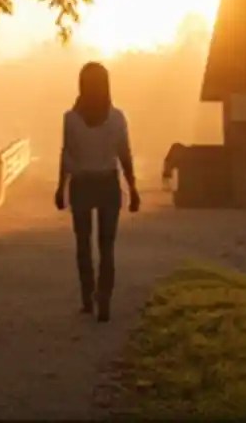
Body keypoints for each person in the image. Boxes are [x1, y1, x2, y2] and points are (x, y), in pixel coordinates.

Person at [54, 61, 140, 323]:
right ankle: (104, 298)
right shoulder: (116, 118)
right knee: (107, 246)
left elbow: (67, 156)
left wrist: (61, 187)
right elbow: (124, 154)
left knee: (83, 244)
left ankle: (87, 297)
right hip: (107, 183)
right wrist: (132, 187)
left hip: (82, 183)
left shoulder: (71, 119)